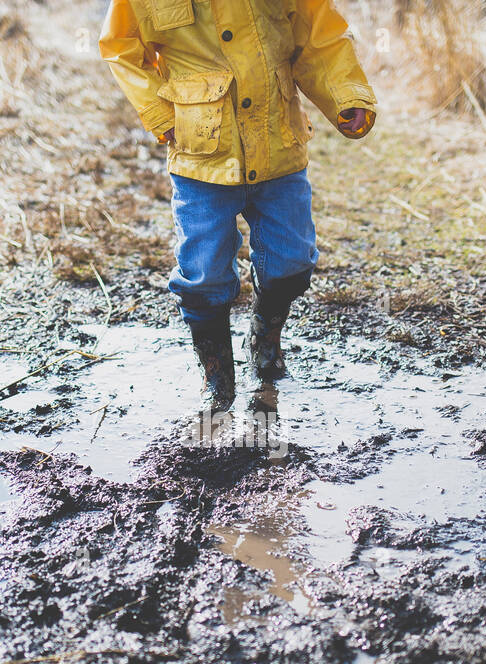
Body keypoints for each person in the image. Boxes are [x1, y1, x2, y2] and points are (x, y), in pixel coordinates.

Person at [100, 0, 377, 411]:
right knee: (203, 277)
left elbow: (320, 37)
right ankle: (218, 376)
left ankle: (265, 335)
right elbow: (120, 47)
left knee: (292, 264)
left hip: (278, 148)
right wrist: (161, 114)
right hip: (202, 158)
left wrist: (345, 96)